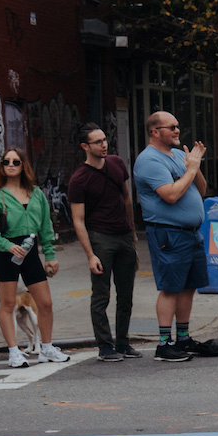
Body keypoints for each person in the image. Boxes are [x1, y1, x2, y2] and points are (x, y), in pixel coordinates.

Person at [0, 150, 66, 368]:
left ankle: (46, 348)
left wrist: (50, 255)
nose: (11, 165)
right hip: (7, 254)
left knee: (45, 302)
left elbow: (46, 226)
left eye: (16, 162)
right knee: (8, 303)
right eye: (6, 162)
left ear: (23, 166)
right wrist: (7, 246)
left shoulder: (36, 194)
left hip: (31, 252)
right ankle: (13, 352)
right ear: (1, 166)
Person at [134, 111, 206, 361]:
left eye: (178, 126)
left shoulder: (177, 155)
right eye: (171, 127)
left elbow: (202, 189)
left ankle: (183, 338)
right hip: (169, 233)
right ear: (155, 132)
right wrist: (191, 169)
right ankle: (164, 344)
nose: (177, 130)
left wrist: (194, 169)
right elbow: (171, 195)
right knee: (170, 288)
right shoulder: (149, 160)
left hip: (191, 233)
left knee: (188, 287)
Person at [66, 126, 140, 362]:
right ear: (85, 147)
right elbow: (78, 221)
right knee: (101, 295)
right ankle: (105, 346)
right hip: (100, 237)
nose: (104, 145)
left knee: (126, 294)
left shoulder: (117, 163)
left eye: (104, 140)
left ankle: (123, 342)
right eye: (97, 142)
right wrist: (90, 254)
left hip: (124, 234)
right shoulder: (79, 178)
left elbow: (127, 198)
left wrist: (133, 229)